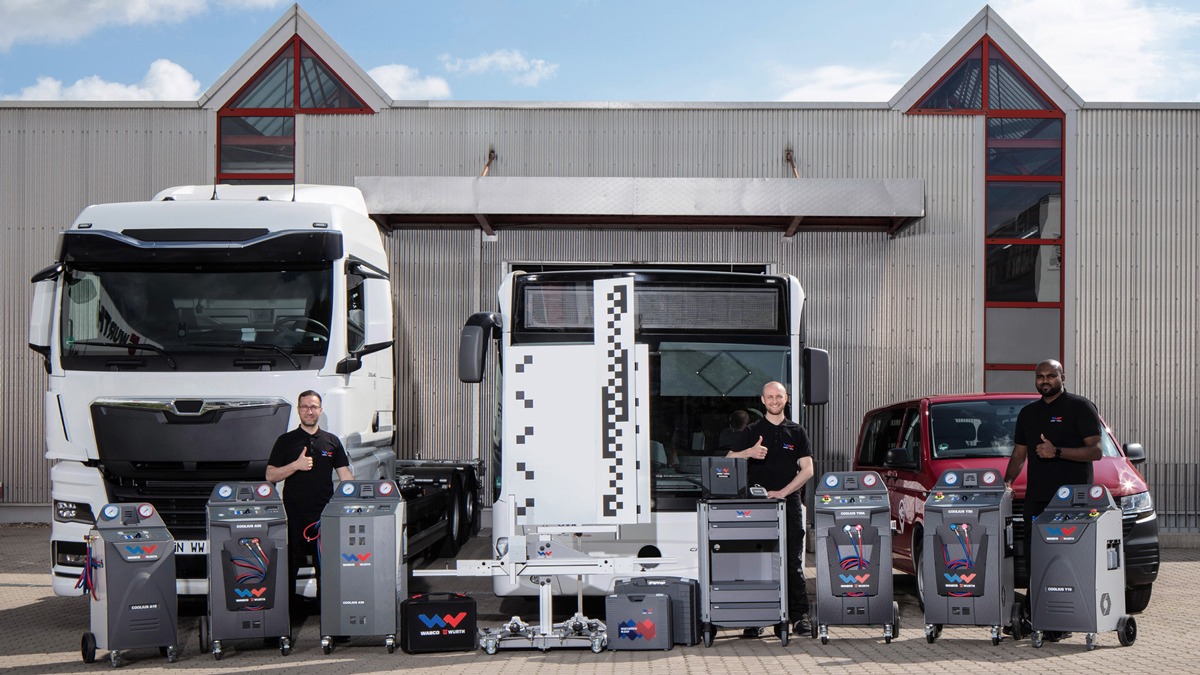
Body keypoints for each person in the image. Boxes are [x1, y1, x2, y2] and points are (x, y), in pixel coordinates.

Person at [1003, 359, 1102, 641]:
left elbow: (1095, 451)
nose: (1045, 381)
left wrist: (1056, 451)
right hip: (1037, 499)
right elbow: (1020, 453)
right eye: (1040, 377)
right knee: (1037, 558)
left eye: (1051, 376)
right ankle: (1036, 615)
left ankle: (1064, 618)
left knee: (1067, 558)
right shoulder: (1028, 413)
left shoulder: (1080, 407)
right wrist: (1007, 481)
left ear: (1062, 377)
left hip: (1072, 501)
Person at [727, 381, 814, 637]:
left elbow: (808, 469)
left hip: (790, 504)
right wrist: (749, 452)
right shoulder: (753, 430)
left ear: (786, 398)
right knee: (758, 563)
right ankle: (758, 618)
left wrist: (784, 493)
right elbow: (728, 459)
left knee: (792, 561)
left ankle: (799, 618)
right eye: (770, 397)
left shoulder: (797, 431)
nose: (774, 401)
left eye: (779, 396)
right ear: (762, 401)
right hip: (757, 506)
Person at [266, 390, 353, 615]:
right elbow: (271, 475)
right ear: (298, 410)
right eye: (304, 407)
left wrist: (353, 501)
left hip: (323, 519)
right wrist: (296, 465)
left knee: (327, 570)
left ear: (320, 410)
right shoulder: (286, 441)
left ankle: (332, 622)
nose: (309, 411)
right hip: (293, 517)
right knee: (289, 568)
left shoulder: (331, 441)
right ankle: (285, 623)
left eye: (313, 407)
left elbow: (346, 478)